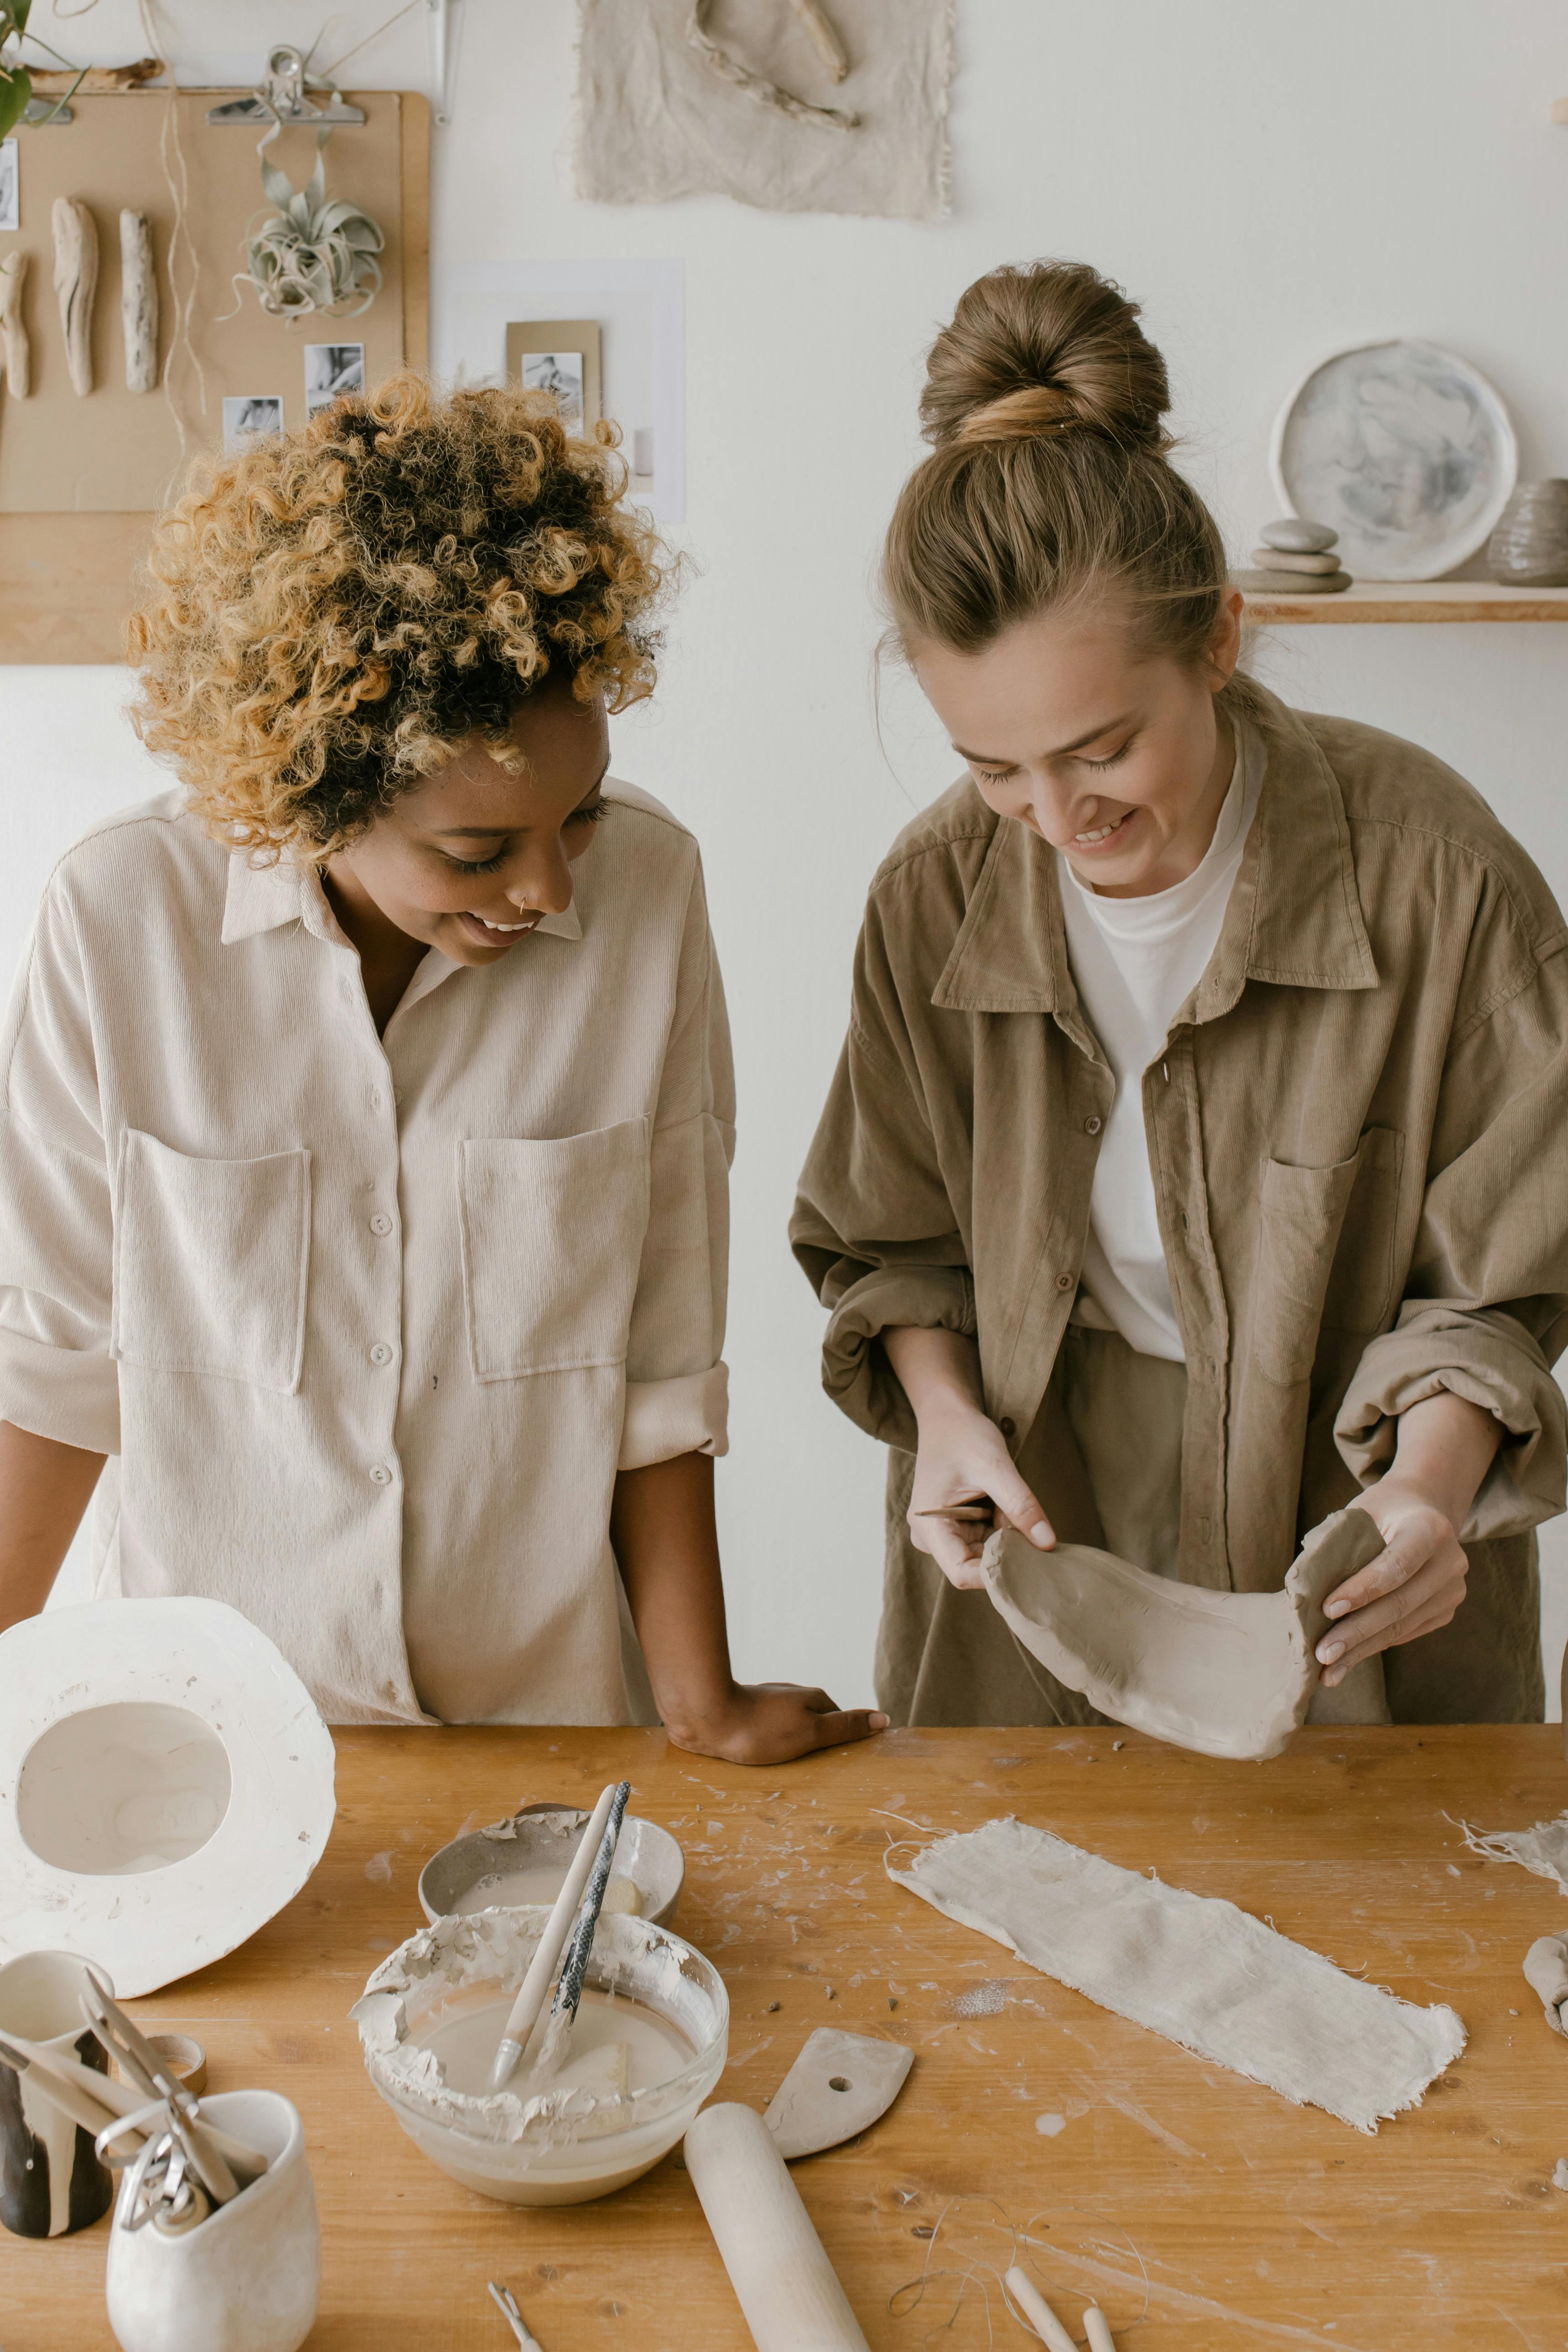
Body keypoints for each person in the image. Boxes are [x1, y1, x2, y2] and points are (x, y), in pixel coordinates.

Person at [0, 373, 883, 1764]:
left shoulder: (648, 895)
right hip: (193, 1736)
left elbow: (660, 1345)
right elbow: (53, 1365)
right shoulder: (123, 922)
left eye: (575, 817)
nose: (545, 886)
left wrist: (698, 1699)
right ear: (307, 790)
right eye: (476, 853)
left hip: (537, 1715)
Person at [792, 260, 1568, 1730]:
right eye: (992, 766)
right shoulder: (935, 891)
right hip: (1042, 1501)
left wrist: (1426, 1493)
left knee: (1374, 1923)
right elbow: (890, 1247)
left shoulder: (1443, 878)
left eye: (1100, 750)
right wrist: (948, 1420)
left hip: (1353, 1510)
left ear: (1216, 636)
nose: (1054, 814)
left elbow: (1502, 1294)